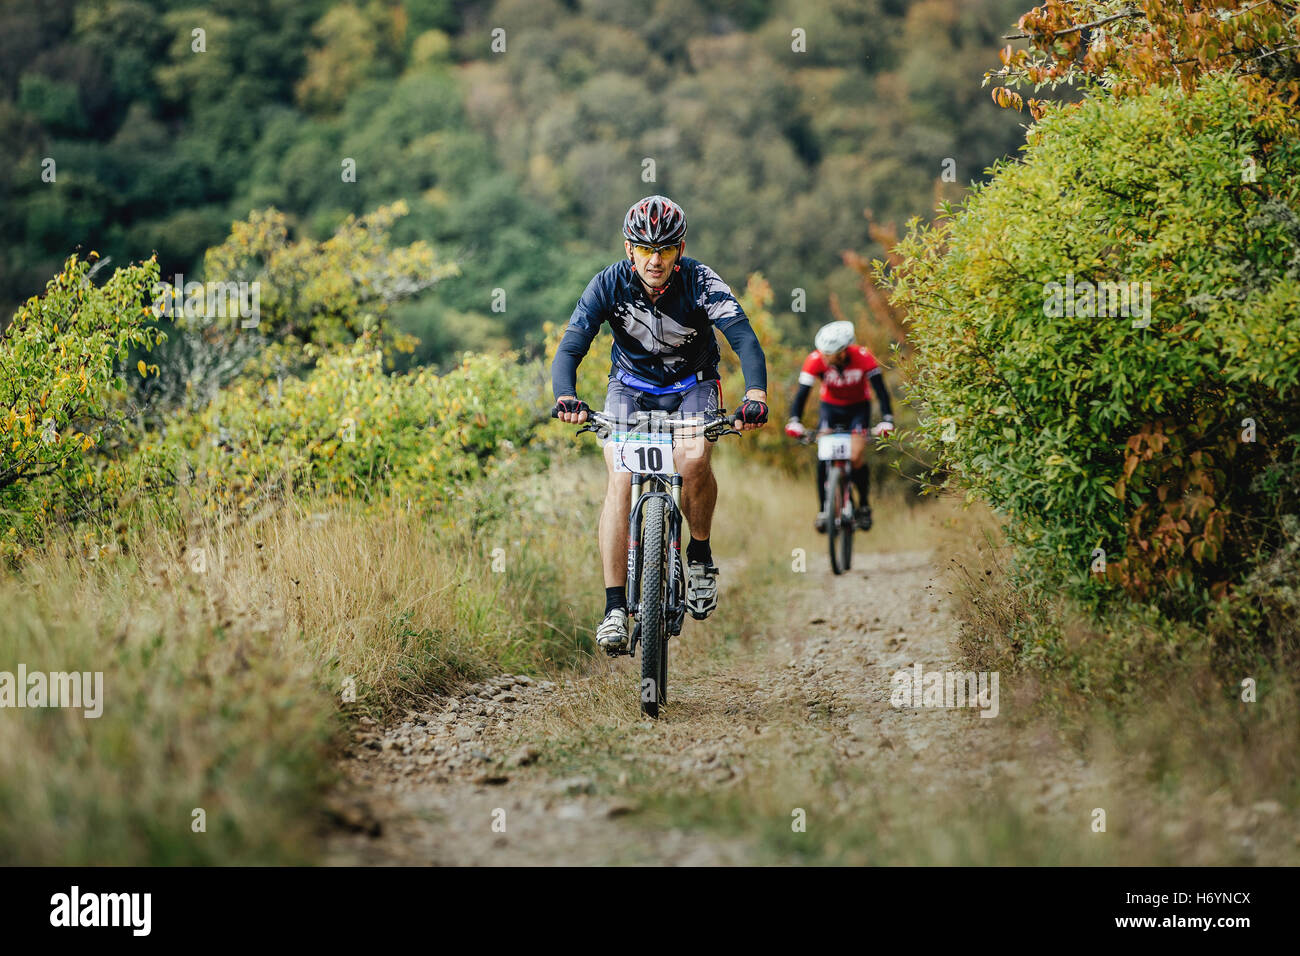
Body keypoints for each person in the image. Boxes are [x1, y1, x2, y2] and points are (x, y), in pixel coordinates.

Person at [551, 195, 769, 650]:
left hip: (693, 384)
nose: (655, 259)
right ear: (629, 249)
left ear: (680, 249)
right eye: (645, 249)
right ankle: (614, 608)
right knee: (620, 477)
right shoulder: (608, 283)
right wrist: (566, 395)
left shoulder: (702, 281)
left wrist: (755, 395)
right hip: (629, 386)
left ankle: (700, 556)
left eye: (665, 249)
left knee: (692, 461)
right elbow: (572, 343)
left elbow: (743, 337)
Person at [784, 320, 894, 532]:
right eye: (822, 352)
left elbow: (881, 391)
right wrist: (794, 421)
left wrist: (887, 419)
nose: (823, 357)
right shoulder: (815, 359)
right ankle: (823, 510)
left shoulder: (863, 356)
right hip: (830, 408)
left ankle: (863, 505)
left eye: (829, 354)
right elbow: (801, 394)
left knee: (856, 455)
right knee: (823, 455)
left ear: (843, 352)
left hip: (858, 409)